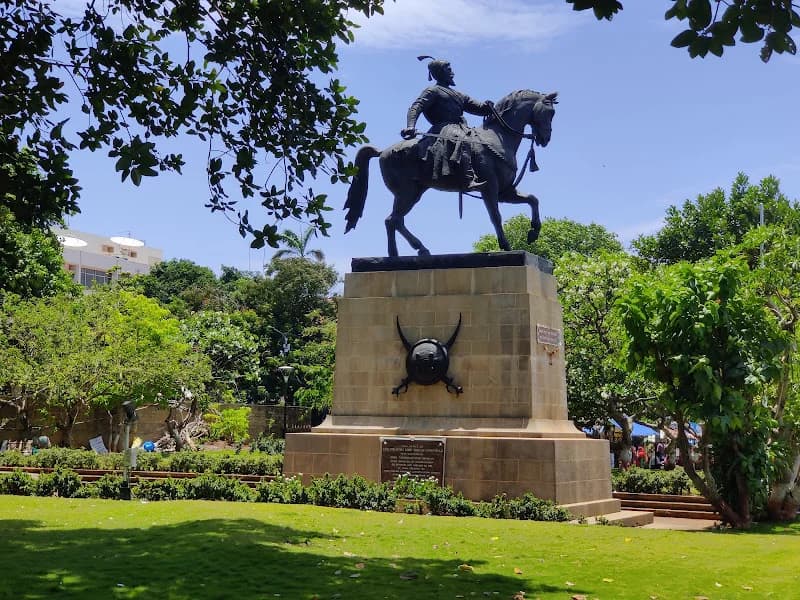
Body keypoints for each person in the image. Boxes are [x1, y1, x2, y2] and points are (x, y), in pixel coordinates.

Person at [400, 56, 494, 191]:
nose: (452, 72)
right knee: (463, 139)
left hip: (460, 127)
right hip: (443, 128)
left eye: (451, 69)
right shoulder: (433, 91)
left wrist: (487, 107)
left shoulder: (459, 95)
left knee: (478, 140)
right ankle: (468, 179)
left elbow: (477, 108)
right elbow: (416, 107)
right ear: (439, 72)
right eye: (448, 69)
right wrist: (410, 126)